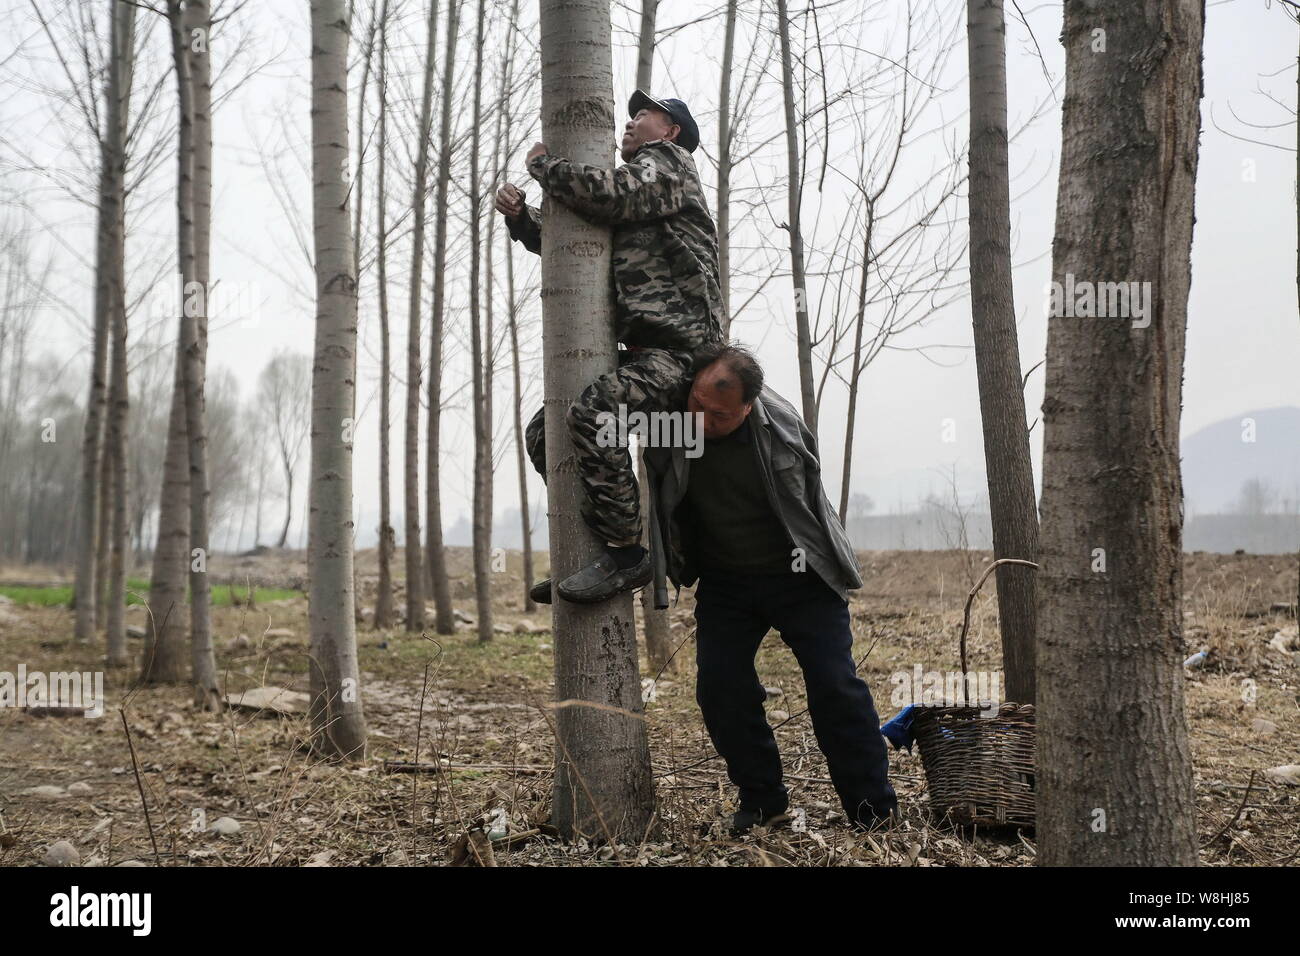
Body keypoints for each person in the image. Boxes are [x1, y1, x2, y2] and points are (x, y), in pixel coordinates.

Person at [644, 342, 898, 835]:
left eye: (718, 415)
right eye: (697, 403)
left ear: (747, 406)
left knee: (835, 687)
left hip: (802, 577)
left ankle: (874, 811)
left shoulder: (779, 425)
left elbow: (813, 505)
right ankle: (764, 805)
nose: (701, 419)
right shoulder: (673, 420)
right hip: (726, 582)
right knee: (720, 688)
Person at [497, 90, 725, 604]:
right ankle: (596, 552)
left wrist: (544, 165)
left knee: (598, 410)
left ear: (669, 131)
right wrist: (520, 220)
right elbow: (582, 243)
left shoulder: (668, 165)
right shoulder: (641, 194)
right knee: (545, 431)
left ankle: (626, 555)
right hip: (649, 354)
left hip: (684, 355)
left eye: (644, 114)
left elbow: (608, 195)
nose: (631, 120)